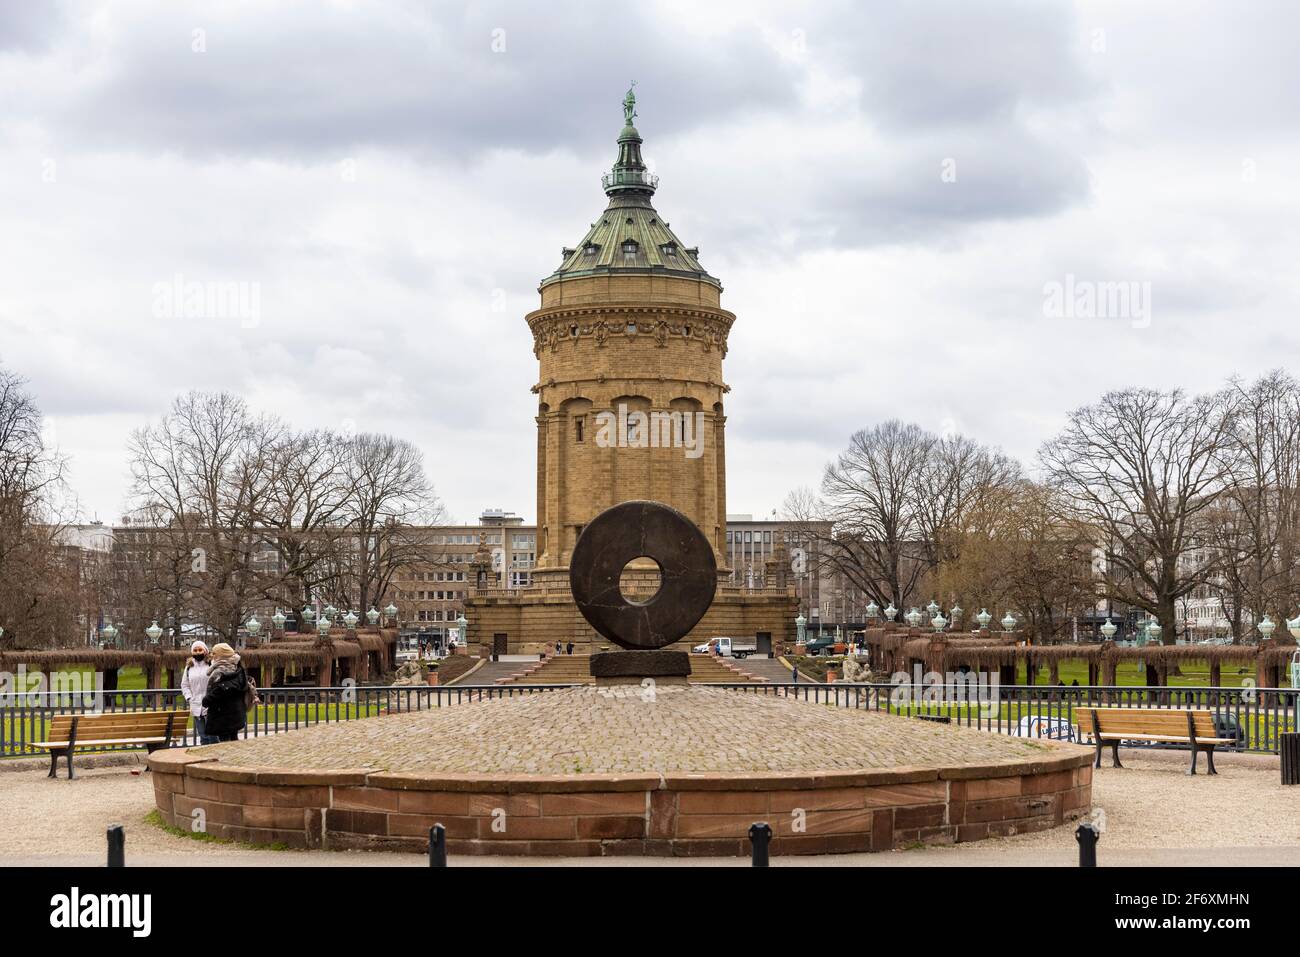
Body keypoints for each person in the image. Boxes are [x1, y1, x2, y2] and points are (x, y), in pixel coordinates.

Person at [201, 643, 249, 743]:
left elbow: (219, 691)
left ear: (220, 655)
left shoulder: (220, 670)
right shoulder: (237, 667)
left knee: (225, 743)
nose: (211, 655)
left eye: (214, 653)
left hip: (223, 714)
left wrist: (206, 700)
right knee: (234, 740)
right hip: (235, 711)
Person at [180, 641, 211, 744]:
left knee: (213, 735)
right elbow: (185, 685)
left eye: (200, 650)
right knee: (203, 736)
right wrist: (189, 698)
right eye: (195, 650)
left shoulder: (211, 664)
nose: (198, 652)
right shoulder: (189, 667)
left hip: (211, 705)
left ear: (205, 651)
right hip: (196, 705)